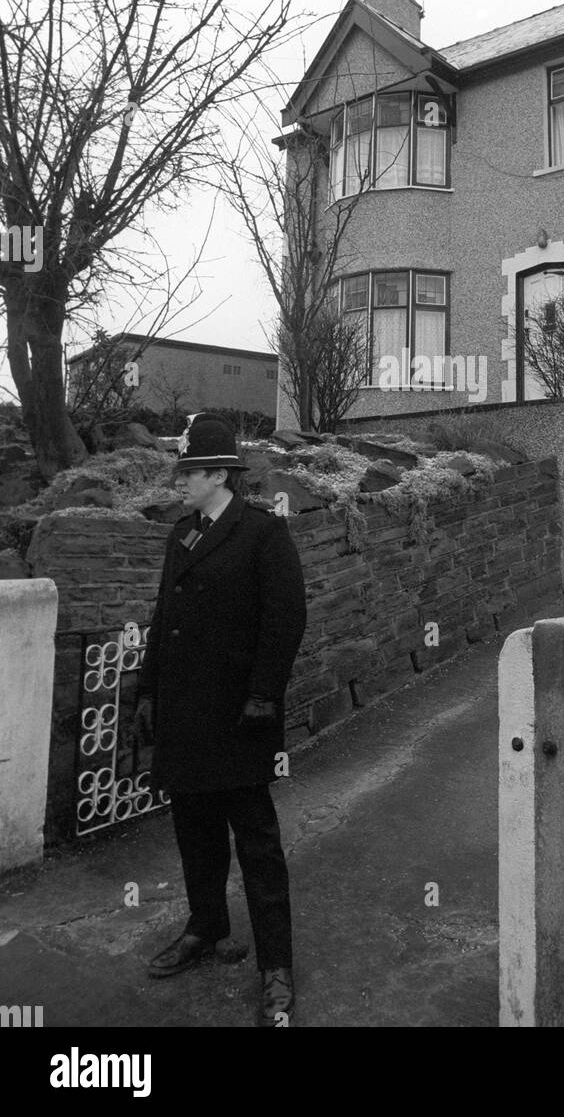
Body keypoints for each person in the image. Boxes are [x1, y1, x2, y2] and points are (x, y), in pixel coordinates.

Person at [133, 412, 307, 1027]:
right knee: (194, 833)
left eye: (188, 473)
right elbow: (164, 617)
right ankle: (205, 928)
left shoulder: (263, 534)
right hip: (185, 717)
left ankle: (276, 965)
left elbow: (285, 621)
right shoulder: (182, 534)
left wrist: (263, 696)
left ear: (216, 475)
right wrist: (148, 691)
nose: (180, 483)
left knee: (256, 844)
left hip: (237, 719)